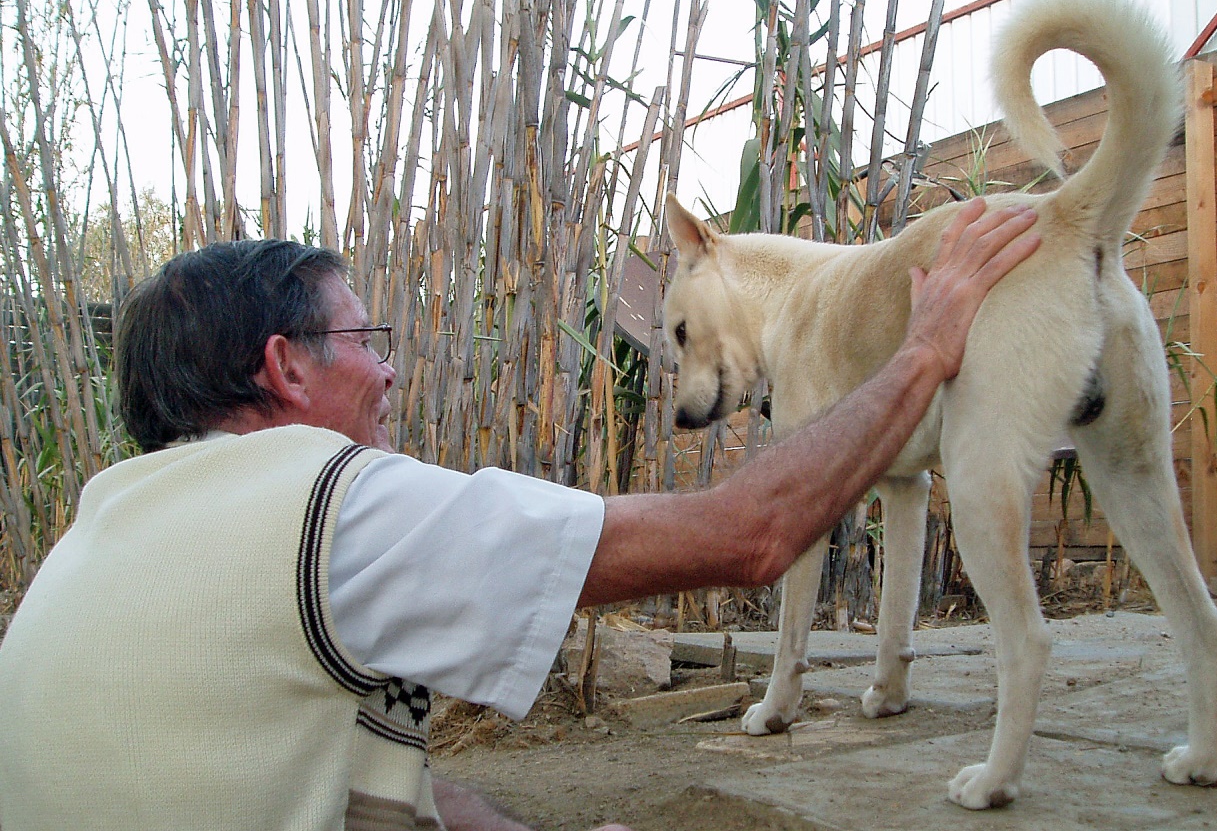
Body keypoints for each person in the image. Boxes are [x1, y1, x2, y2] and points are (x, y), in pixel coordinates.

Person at [0, 197, 1038, 831]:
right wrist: (925, 347)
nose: (390, 371)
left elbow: (372, 789)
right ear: (286, 367)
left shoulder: (100, 533)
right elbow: (750, 532)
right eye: (366, 339)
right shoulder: (329, 505)